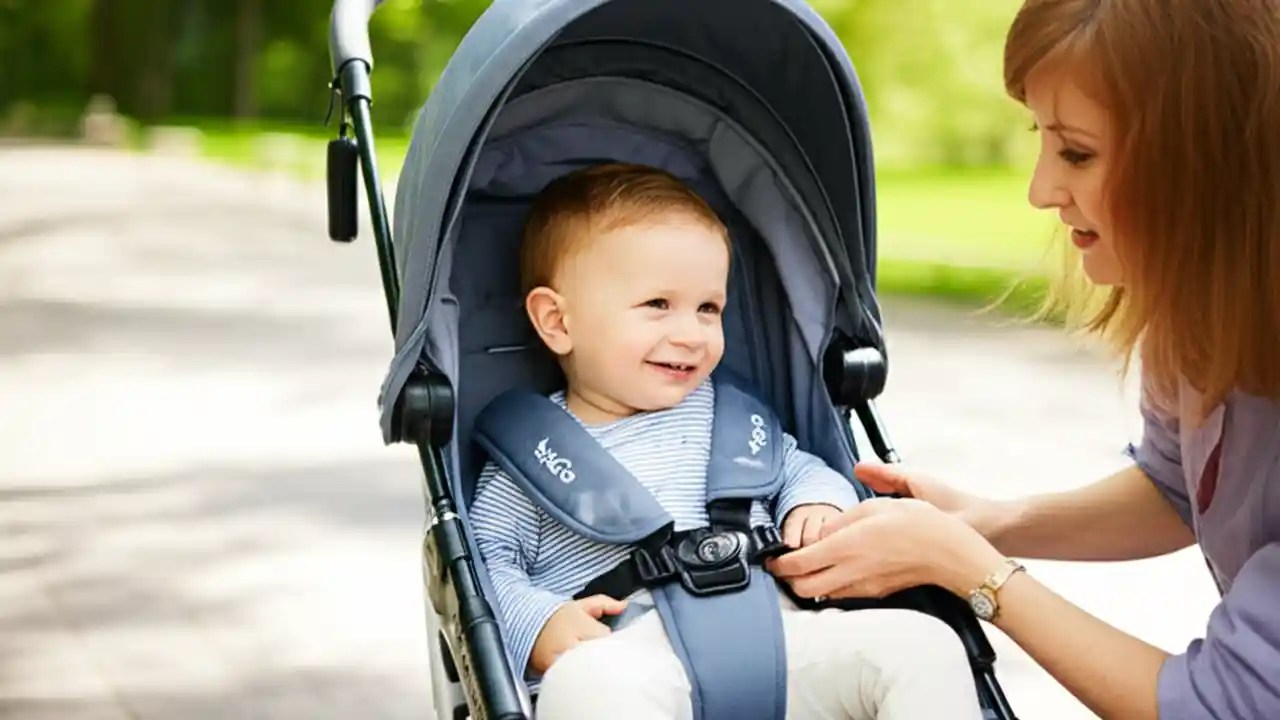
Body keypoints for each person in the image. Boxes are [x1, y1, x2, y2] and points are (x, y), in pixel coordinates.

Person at [768, 1, 1280, 718]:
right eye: (1040, 139)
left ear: (1211, 160)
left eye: (1076, 152)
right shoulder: (1205, 317)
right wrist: (994, 519)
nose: (1041, 191)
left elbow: (1221, 704)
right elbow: (1180, 485)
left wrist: (970, 569)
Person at [468, 163, 982, 719]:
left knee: (922, 647)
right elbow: (488, 565)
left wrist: (816, 502)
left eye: (708, 308)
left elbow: (799, 469)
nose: (691, 333)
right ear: (557, 322)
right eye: (657, 305)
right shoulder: (531, 460)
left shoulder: (735, 422)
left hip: (778, 638)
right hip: (629, 656)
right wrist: (537, 622)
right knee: (585, 683)